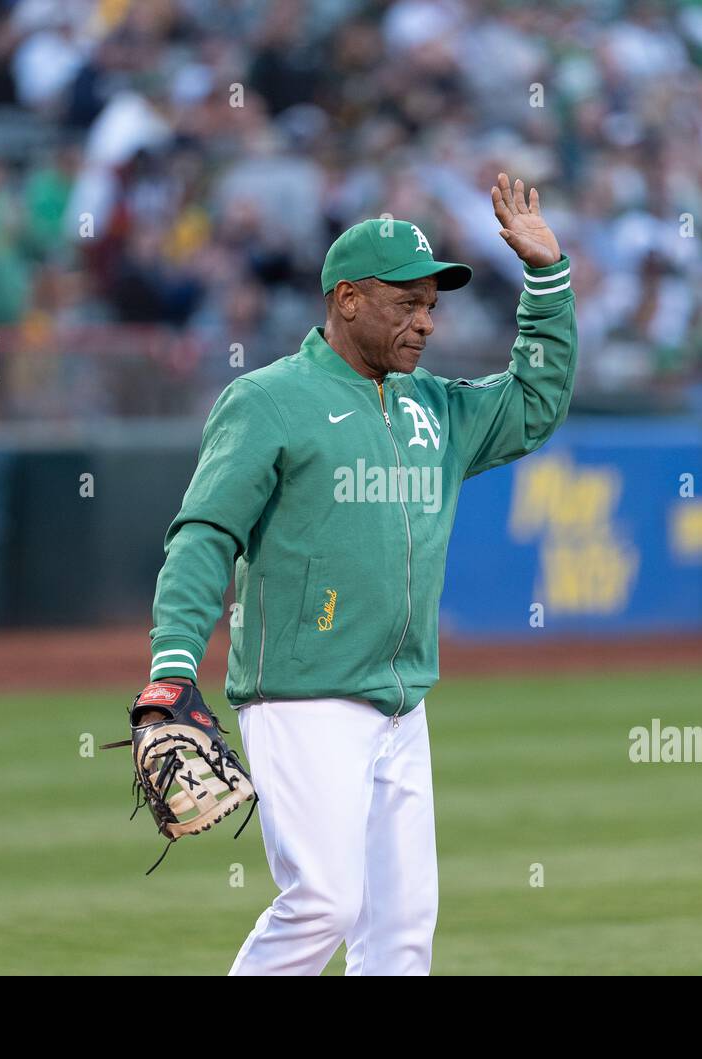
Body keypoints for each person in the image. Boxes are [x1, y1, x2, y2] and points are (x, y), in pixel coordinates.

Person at [130, 173, 577, 975]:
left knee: (402, 936)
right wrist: (171, 665)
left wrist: (547, 279)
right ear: (345, 300)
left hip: (404, 703)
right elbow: (205, 533)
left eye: (432, 303)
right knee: (325, 903)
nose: (426, 319)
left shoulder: (434, 407)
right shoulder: (268, 401)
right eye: (406, 301)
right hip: (304, 697)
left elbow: (534, 403)